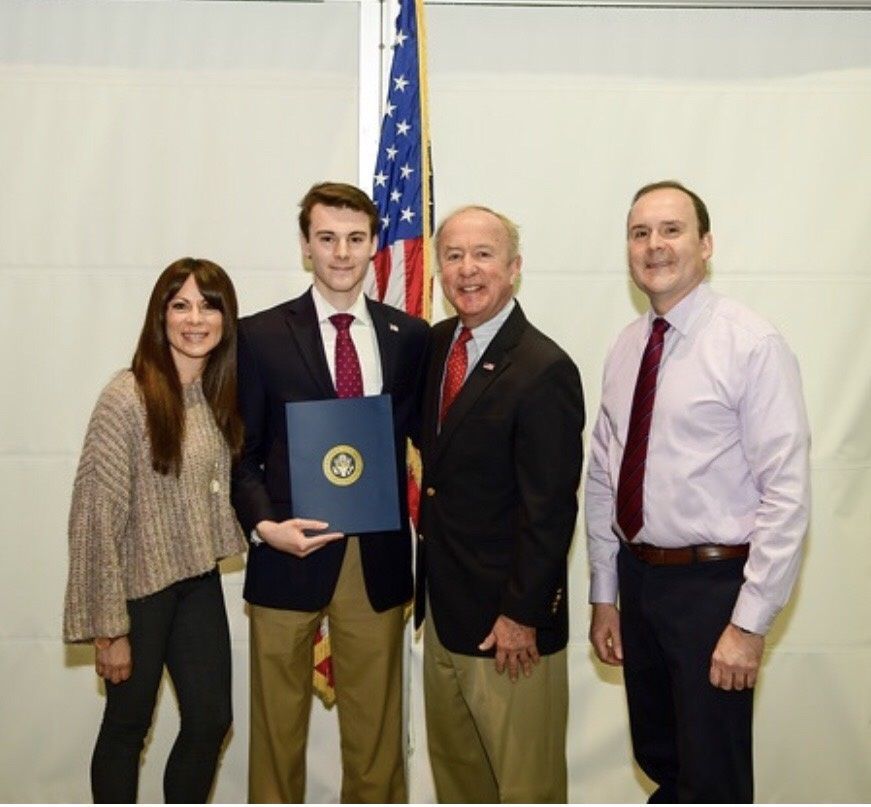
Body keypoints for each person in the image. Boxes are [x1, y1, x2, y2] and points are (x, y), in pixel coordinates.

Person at [586, 180, 811, 803]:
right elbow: (604, 474)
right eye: (640, 233)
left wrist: (750, 623)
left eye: (671, 230)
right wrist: (605, 594)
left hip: (715, 591)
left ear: (705, 244)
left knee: (714, 779)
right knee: (661, 759)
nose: (654, 245)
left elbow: (786, 494)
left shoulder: (751, 344)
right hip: (639, 581)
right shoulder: (627, 347)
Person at [231, 181, 429, 803]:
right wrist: (266, 528)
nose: (341, 252)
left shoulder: (411, 335)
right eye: (327, 239)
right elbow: (242, 452)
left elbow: (431, 441)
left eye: (355, 238)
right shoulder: (258, 335)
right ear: (305, 247)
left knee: (375, 739)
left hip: (374, 559)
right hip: (288, 551)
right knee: (276, 734)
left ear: (373, 245)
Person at [414, 205, 585, 803]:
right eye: (454, 255)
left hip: (509, 630)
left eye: (483, 254)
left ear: (514, 268)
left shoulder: (544, 368)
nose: (467, 269)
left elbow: (550, 509)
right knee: (460, 785)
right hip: (442, 615)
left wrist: (523, 615)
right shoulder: (437, 345)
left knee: (524, 790)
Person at [63, 257, 247, 803]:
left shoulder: (215, 396)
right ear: (160, 316)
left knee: (211, 720)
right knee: (126, 727)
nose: (196, 319)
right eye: (181, 305)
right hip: (135, 594)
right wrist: (109, 628)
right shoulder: (126, 397)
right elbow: (95, 517)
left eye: (209, 306)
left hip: (196, 581)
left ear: (225, 318)